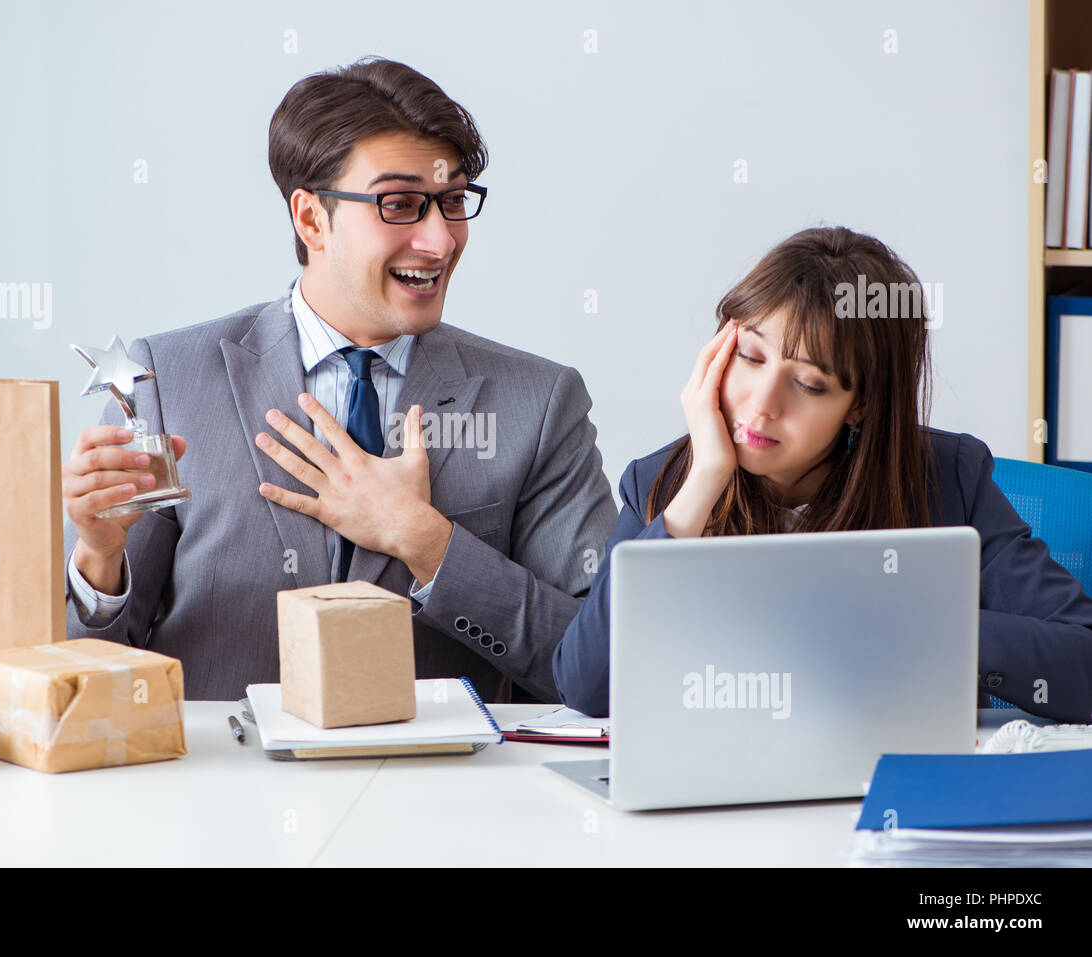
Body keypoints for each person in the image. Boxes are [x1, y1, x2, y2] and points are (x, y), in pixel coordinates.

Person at [62, 57, 618, 702]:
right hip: (220, 794)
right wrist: (98, 559)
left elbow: (598, 669)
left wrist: (425, 540)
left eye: (454, 201)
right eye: (401, 205)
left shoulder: (539, 404)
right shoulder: (169, 383)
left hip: (445, 797)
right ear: (311, 220)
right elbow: (86, 672)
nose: (442, 240)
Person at [553, 226, 1092, 723]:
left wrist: (920, 626)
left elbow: (1083, 660)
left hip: (892, 783)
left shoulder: (948, 478)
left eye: (809, 384)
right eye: (749, 357)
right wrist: (703, 483)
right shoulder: (664, 484)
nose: (761, 405)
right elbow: (588, 686)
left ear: (860, 405)